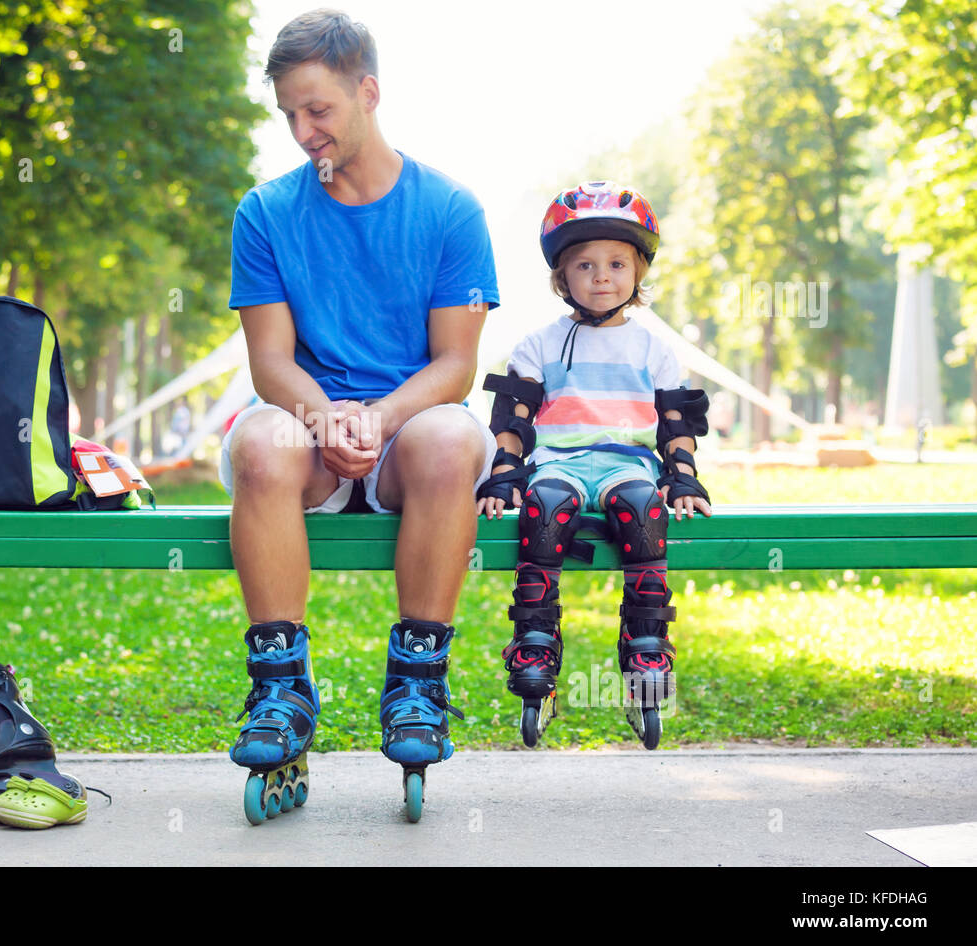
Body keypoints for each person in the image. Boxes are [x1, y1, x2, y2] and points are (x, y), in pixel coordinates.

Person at [221, 9, 499, 823]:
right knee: (262, 443)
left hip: (408, 430)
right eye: (290, 115)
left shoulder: (451, 209)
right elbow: (271, 361)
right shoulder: (265, 213)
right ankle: (281, 691)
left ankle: (417, 684)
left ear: (367, 92)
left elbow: (455, 364)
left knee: (453, 437)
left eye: (320, 110)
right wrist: (325, 415)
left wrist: (375, 417)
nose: (305, 131)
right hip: (305, 430)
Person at [475, 181, 711, 751]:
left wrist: (681, 478)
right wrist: (505, 476)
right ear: (562, 276)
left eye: (615, 263)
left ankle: (647, 644)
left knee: (640, 507)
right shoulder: (538, 344)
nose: (601, 276)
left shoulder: (655, 348)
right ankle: (535, 638)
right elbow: (515, 419)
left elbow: (674, 424)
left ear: (637, 271)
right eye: (585, 264)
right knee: (546, 506)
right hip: (558, 463)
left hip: (626, 464)